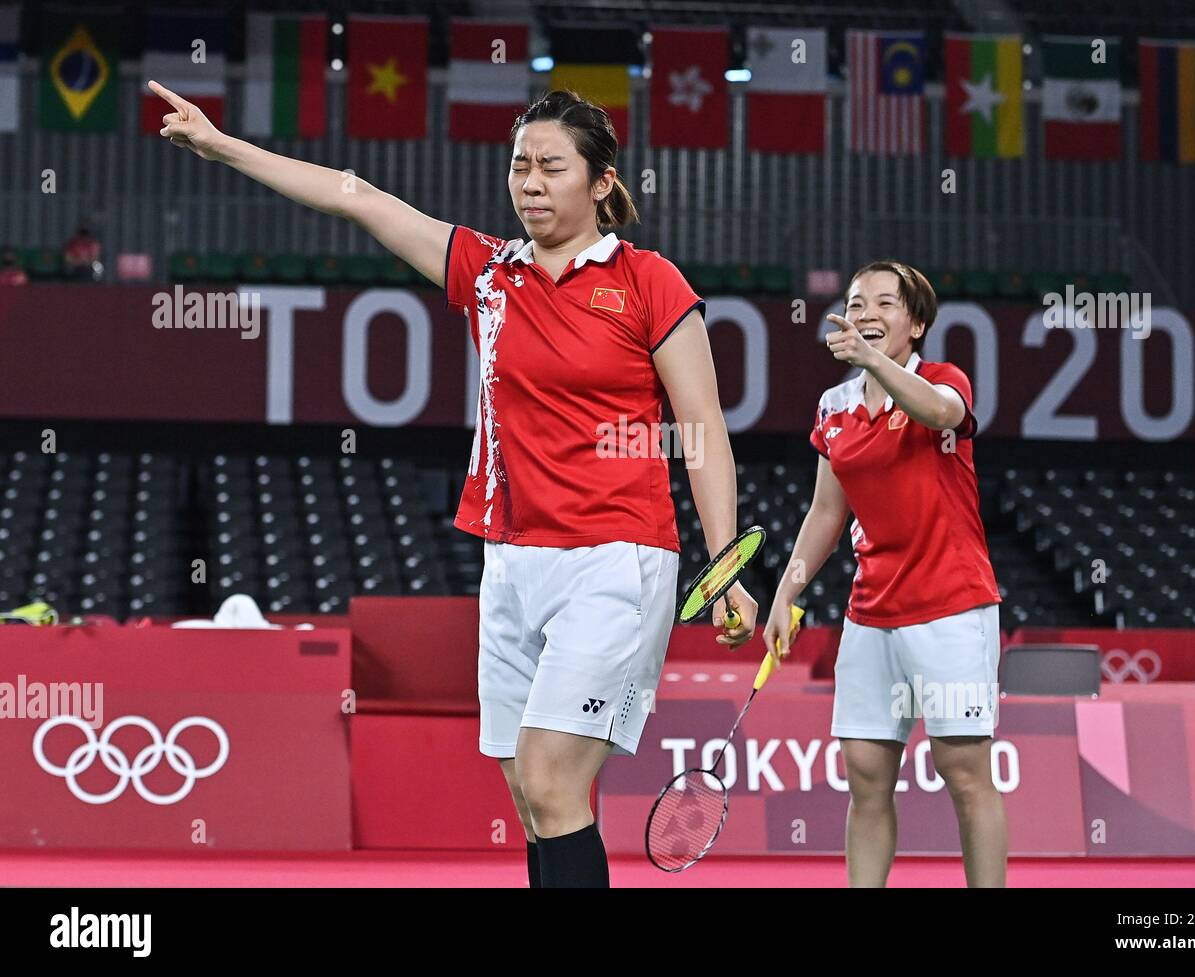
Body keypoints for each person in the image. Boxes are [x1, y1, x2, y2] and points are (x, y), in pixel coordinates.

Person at [150, 80, 758, 888]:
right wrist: (220, 145)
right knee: (532, 792)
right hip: (510, 560)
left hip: (616, 557)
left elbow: (703, 429)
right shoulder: (487, 272)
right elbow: (355, 196)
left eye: (551, 167)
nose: (530, 183)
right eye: (519, 166)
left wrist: (726, 568)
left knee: (548, 777)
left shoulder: (649, 284)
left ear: (603, 181)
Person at [764, 260, 1006, 887]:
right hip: (871, 616)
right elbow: (825, 512)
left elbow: (939, 415)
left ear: (917, 323)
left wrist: (875, 365)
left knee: (964, 770)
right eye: (855, 302)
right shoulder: (834, 407)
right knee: (867, 778)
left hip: (951, 606)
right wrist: (785, 594)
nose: (866, 313)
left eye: (884, 304)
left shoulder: (943, 380)